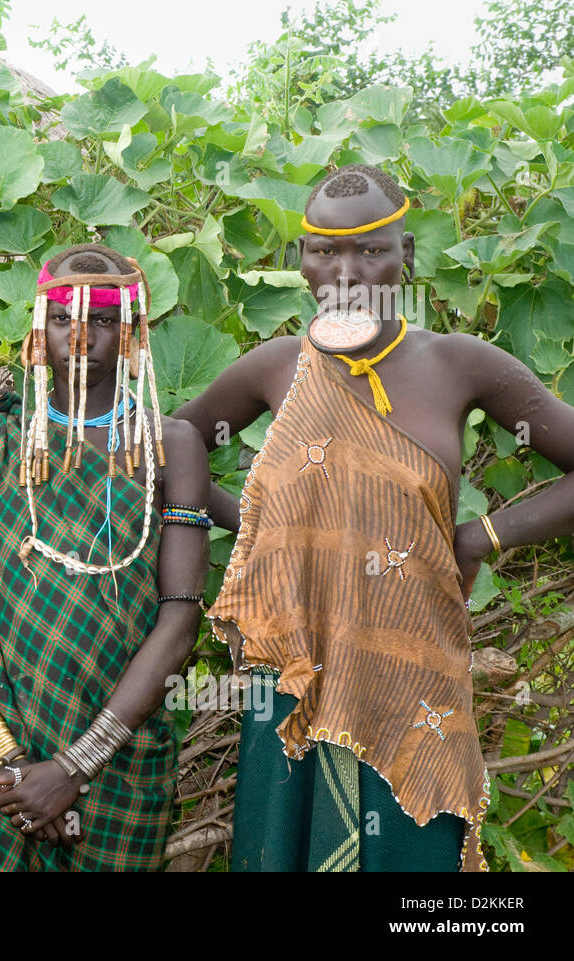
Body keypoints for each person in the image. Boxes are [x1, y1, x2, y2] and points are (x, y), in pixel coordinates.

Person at [174, 163, 574, 871]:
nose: (347, 269)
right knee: (284, 844)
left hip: (414, 675)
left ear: (407, 255)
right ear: (301, 258)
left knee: (412, 851)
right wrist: (260, 529)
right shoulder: (273, 369)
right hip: (292, 677)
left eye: (371, 247)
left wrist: (484, 534)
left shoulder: (460, 366)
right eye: (324, 249)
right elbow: (176, 451)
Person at [0, 244, 210, 870]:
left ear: (133, 333)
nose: (80, 335)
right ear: (38, 329)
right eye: (62, 318)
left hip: (120, 756)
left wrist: (73, 767)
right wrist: (5, 760)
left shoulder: (172, 445)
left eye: (103, 321)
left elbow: (180, 618)